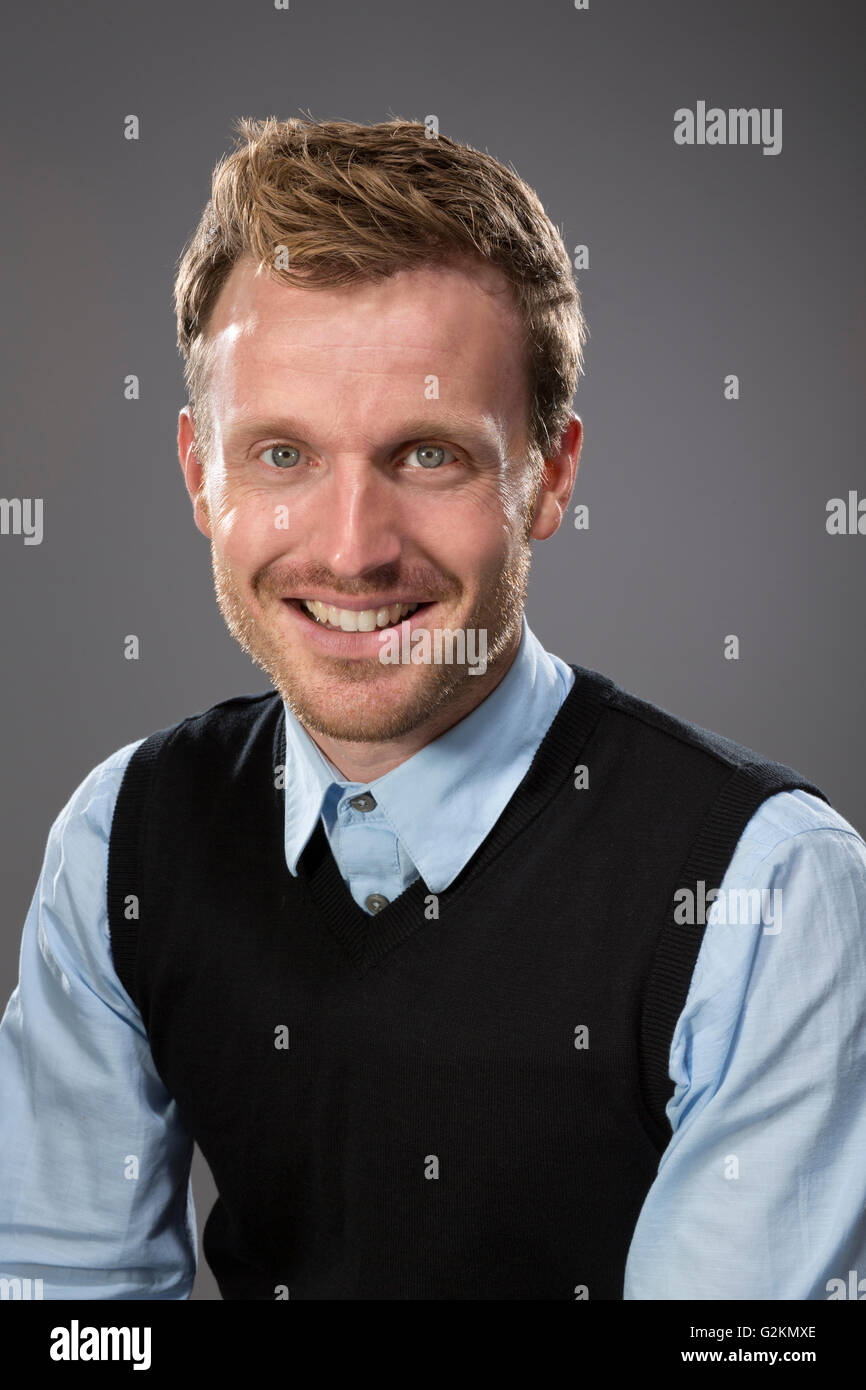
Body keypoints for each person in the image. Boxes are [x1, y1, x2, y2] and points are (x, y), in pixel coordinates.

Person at [1, 115, 865, 1302]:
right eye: (283, 456)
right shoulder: (121, 841)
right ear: (202, 474)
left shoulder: (768, 892)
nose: (352, 552)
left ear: (548, 474)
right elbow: (68, 1321)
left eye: (425, 455)